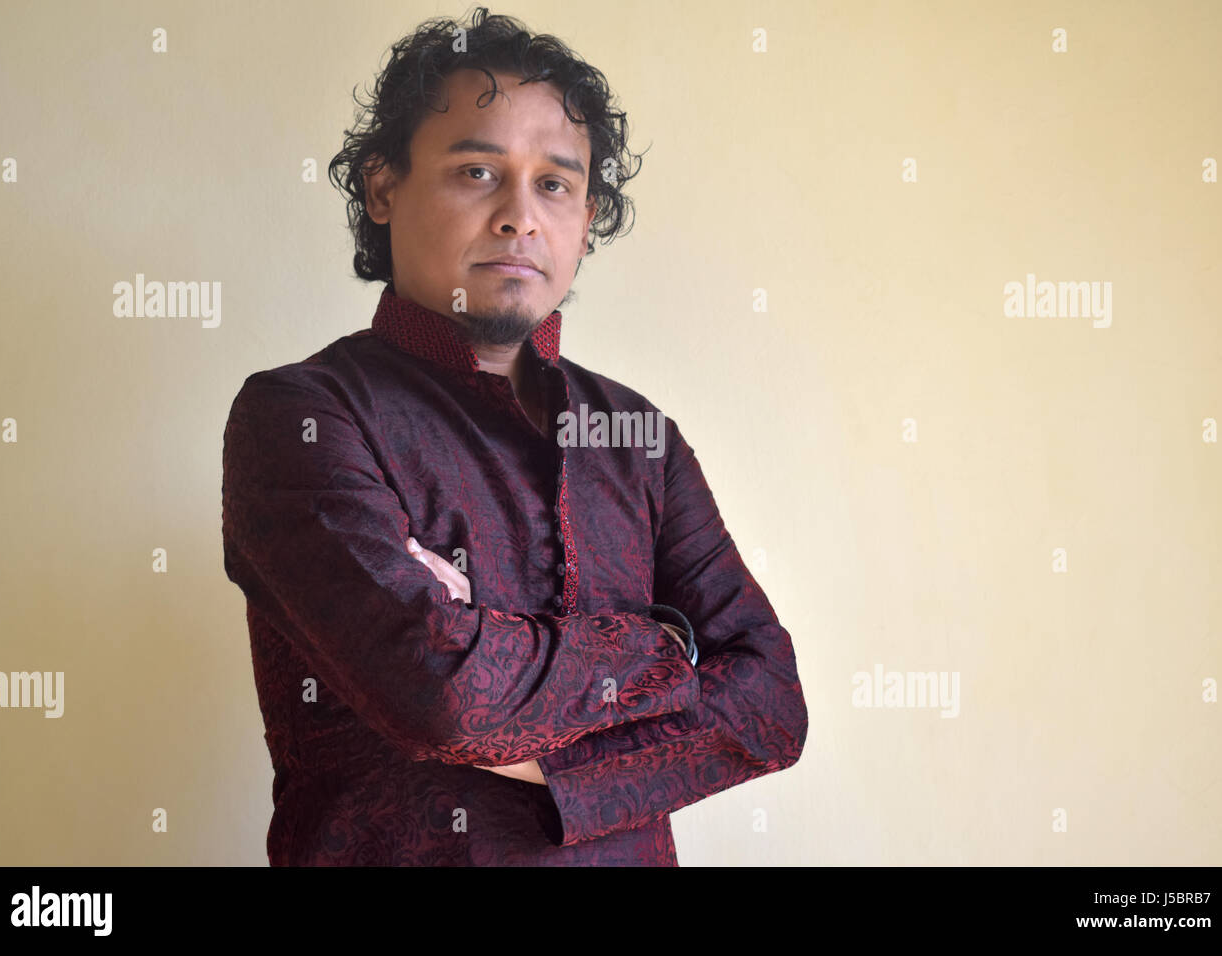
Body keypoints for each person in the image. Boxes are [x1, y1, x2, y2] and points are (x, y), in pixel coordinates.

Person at [221, 6, 808, 866]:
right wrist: (670, 646)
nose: (519, 217)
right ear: (383, 186)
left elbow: (771, 703)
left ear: (587, 215)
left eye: (555, 184)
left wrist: (506, 686)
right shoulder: (302, 418)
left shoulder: (638, 437)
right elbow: (445, 694)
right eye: (476, 172)